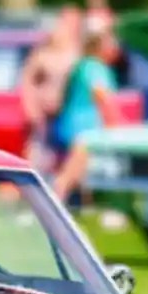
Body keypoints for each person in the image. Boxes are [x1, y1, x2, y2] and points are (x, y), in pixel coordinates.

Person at [50, 29, 123, 201]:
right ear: (100, 47)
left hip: (77, 127)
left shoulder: (86, 65)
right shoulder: (94, 67)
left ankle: (81, 210)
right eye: (112, 45)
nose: (117, 49)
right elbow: (101, 96)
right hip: (84, 130)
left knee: (83, 176)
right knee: (69, 177)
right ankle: (51, 207)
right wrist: (118, 123)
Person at [18, 6, 81, 174]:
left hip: (66, 113)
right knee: (39, 154)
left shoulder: (77, 51)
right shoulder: (45, 52)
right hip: (43, 112)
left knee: (63, 156)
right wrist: (30, 107)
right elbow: (27, 80)